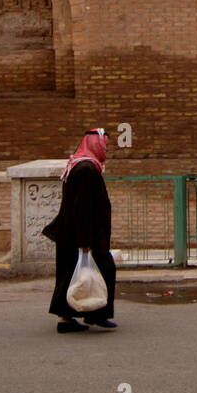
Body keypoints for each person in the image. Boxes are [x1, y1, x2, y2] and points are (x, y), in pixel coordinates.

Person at [43, 128, 117, 333]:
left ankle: (69, 318)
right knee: (102, 270)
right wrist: (85, 242)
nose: (106, 149)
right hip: (84, 235)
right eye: (105, 145)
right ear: (96, 144)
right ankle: (95, 314)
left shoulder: (80, 165)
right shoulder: (86, 169)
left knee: (71, 275)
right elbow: (83, 208)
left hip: (73, 234)